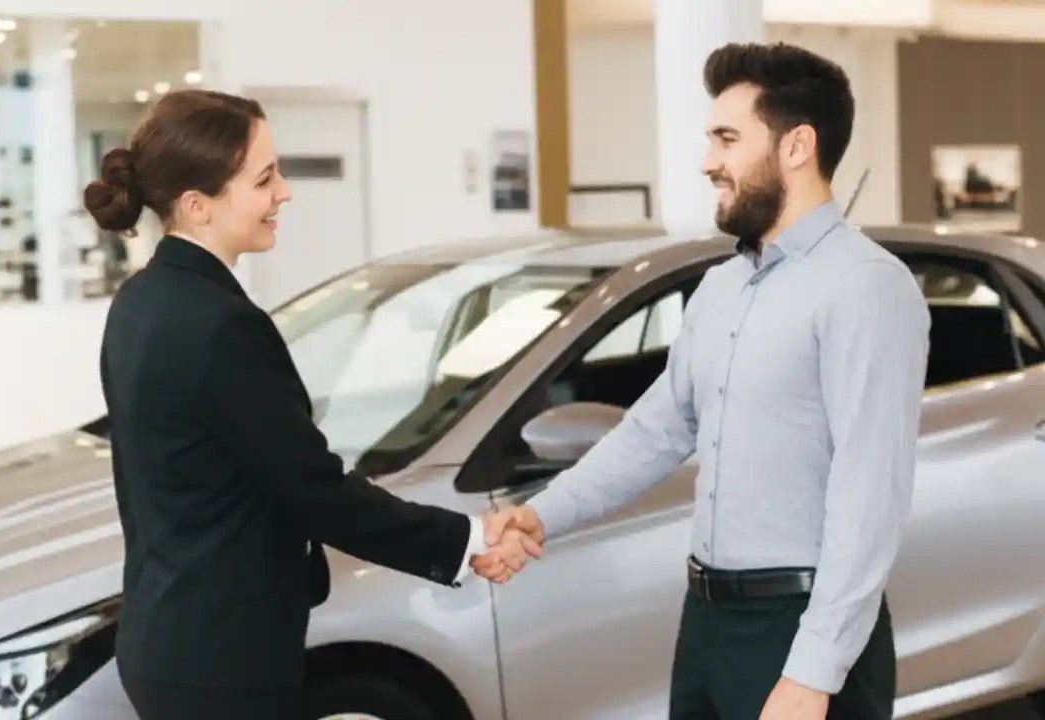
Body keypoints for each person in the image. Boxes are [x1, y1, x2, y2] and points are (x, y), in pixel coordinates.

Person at [485, 42, 930, 719]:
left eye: (727, 138)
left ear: (796, 145)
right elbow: (655, 431)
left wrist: (814, 670)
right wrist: (543, 512)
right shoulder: (722, 287)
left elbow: (869, 494)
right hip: (707, 621)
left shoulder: (865, 286)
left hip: (798, 625)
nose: (707, 162)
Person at [85, 89, 540, 720]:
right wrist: (466, 541)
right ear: (198, 205)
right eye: (264, 178)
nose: (285, 193)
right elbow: (312, 489)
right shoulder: (220, 324)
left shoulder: (140, 303)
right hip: (222, 664)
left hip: (167, 639)